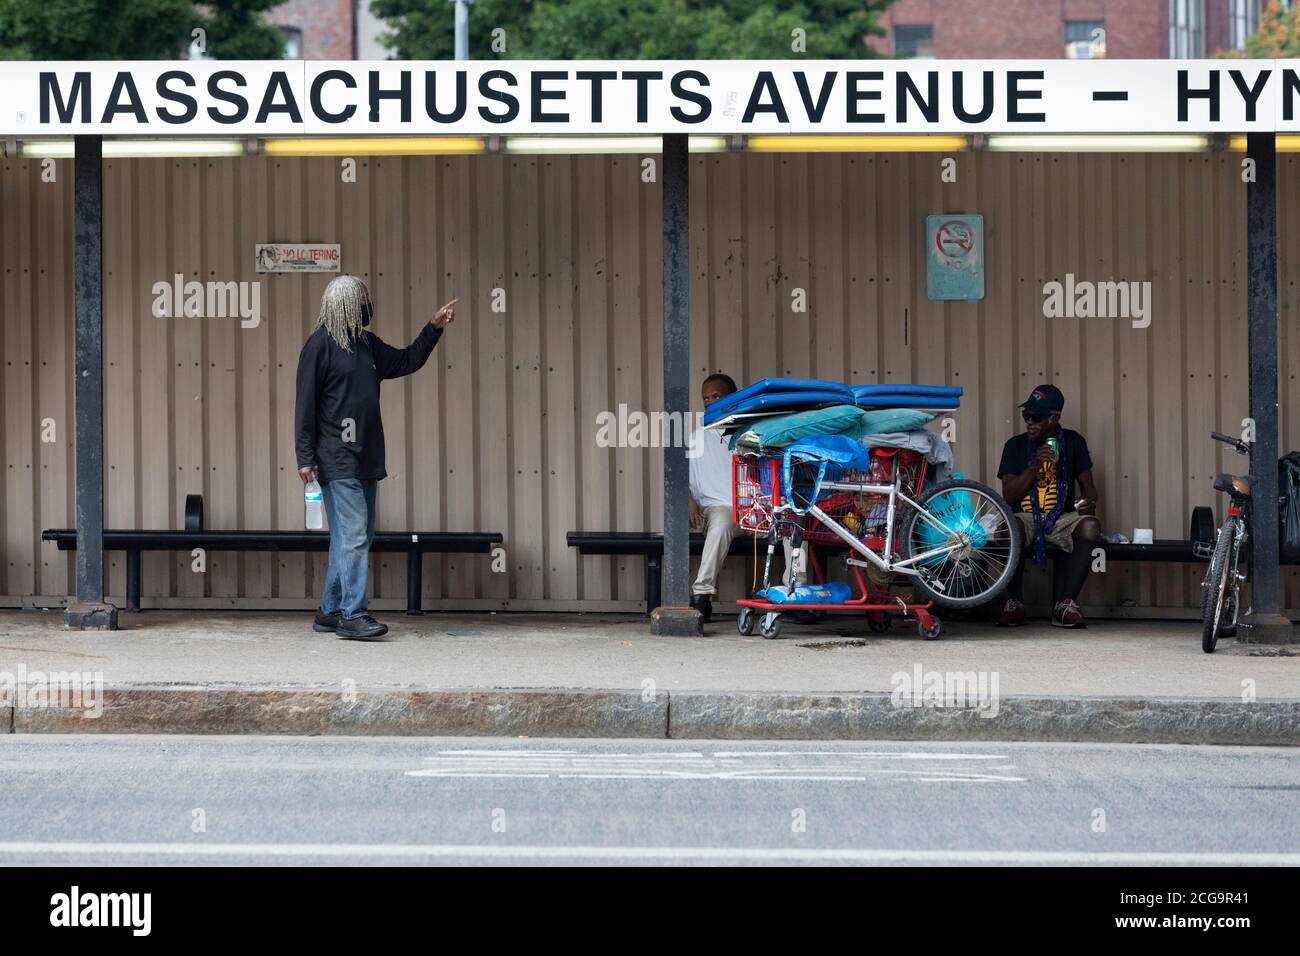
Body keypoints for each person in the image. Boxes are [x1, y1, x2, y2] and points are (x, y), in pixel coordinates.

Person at [295, 275, 458, 640]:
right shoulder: (319, 345)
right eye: (363, 299)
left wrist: (432, 329)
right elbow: (304, 403)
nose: (369, 305)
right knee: (354, 536)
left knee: (351, 537)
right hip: (336, 458)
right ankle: (353, 615)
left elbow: (406, 360)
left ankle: (329, 611)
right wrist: (304, 457)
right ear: (347, 304)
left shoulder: (365, 344)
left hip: (367, 457)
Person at [995, 384, 1101, 628]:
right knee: (1006, 528)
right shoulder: (1015, 445)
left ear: (1055, 418)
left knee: (1091, 527)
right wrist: (1034, 466)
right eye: (1026, 415)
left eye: (1037, 417)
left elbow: (1090, 490)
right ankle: (1014, 602)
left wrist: (1087, 504)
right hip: (1025, 516)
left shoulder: (1073, 442)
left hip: (1061, 517)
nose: (1030, 422)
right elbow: (1008, 496)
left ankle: (1066, 604)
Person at [688, 374, 741, 623]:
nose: (710, 402)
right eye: (706, 398)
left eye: (716, 396)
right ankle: (701, 596)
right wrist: (689, 500)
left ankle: (795, 591)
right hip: (720, 509)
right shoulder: (697, 437)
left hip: (757, 508)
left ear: (732, 396)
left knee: (790, 523)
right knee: (721, 522)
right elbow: (683, 481)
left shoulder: (751, 430)